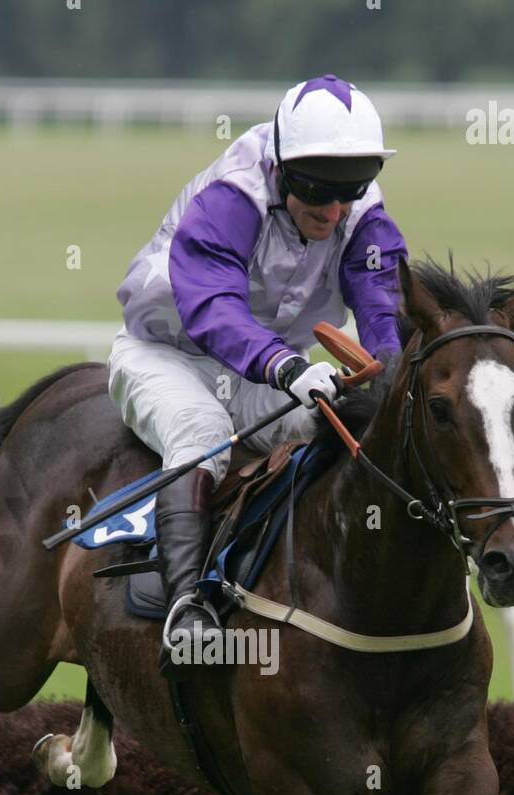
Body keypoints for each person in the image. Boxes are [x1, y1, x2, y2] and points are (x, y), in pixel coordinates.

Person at [108, 74, 409, 673]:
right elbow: (213, 306)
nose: (334, 210)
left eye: (349, 191)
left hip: (269, 370)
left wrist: (394, 375)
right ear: (284, 168)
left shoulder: (357, 210)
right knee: (198, 431)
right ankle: (188, 604)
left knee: (333, 426)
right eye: (319, 191)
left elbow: (382, 302)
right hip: (168, 353)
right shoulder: (233, 195)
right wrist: (285, 364)